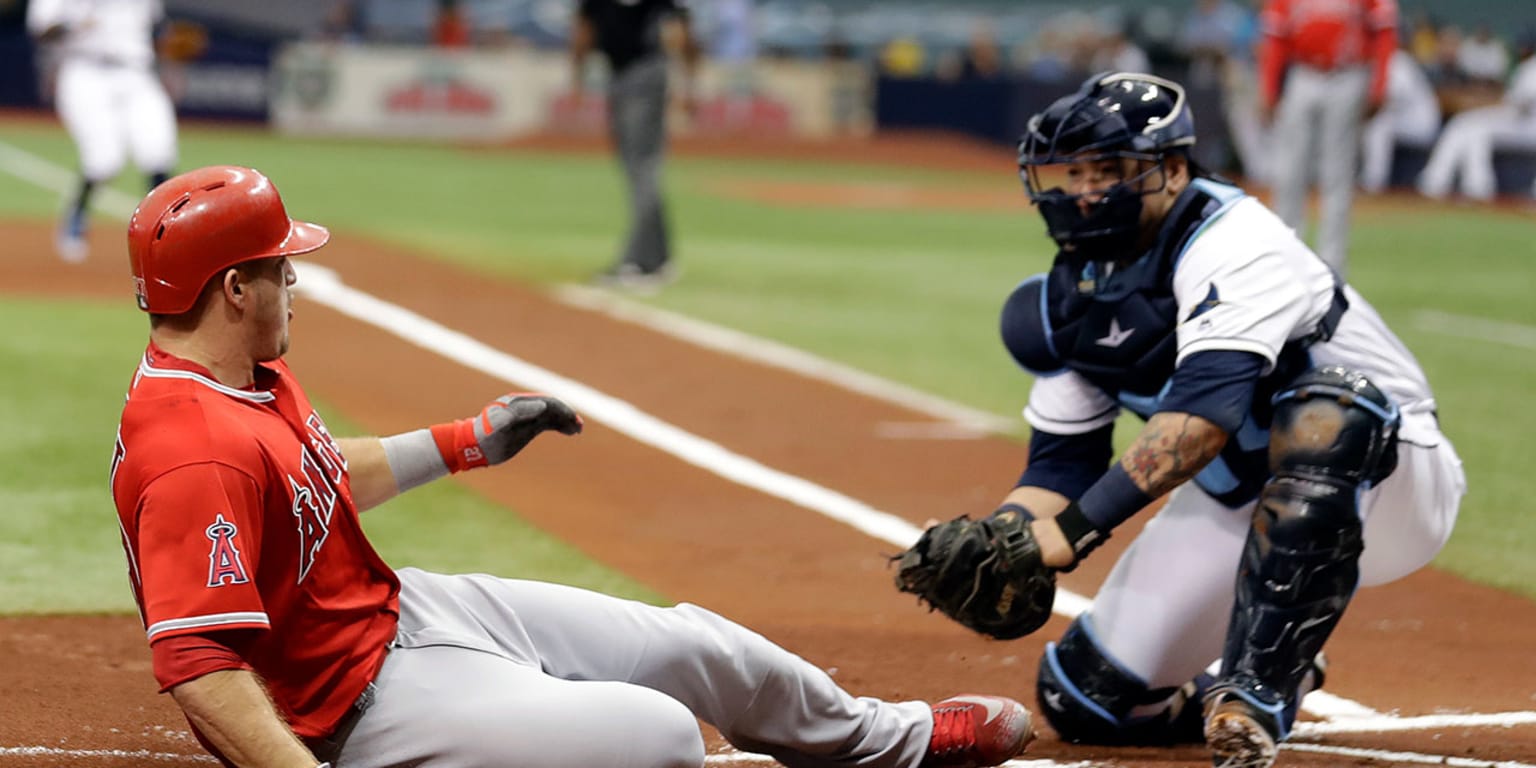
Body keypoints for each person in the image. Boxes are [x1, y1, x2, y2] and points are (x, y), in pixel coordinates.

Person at [110, 164, 1038, 768]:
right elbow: (198, 661)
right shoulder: (192, 452)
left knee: (691, 641)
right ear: (235, 288)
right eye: (280, 267)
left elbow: (319, 476)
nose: (294, 281)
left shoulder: (250, 376)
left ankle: (896, 741)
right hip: (350, 710)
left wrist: (471, 439)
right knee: (663, 737)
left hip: (409, 610)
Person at [948, 72, 1462, 768]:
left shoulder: (1236, 240)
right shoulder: (1068, 296)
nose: (1084, 192)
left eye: (1109, 171)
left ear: (1173, 170)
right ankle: (1258, 667)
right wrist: (1003, 532)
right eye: (1069, 175)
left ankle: (1256, 692)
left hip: (1392, 483)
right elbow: (1062, 461)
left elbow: (1198, 425)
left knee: (1328, 411)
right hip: (1239, 502)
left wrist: (1065, 537)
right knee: (1089, 700)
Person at [26, 0, 178, 263]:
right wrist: (74, 25)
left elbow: (155, 27)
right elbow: (41, 30)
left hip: (136, 71)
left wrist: (170, 57)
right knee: (104, 160)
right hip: (85, 71)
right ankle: (77, 212)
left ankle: (165, 235)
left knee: (158, 151)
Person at [1256, 0, 1396, 274]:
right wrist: (1270, 90)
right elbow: (1275, 40)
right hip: (1303, 74)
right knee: (1289, 173)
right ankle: (1284, 260)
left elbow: (1384, 33)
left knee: (1337, 175)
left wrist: (1379, 86)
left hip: (1348, 74)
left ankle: (1332, 267)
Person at [571, 0, 699, 292]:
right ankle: (658, 257)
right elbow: (585, 30)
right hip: (625, 72)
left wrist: (577, 79)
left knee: (642, 168)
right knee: (639, 168)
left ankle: (639, 263)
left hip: (643, 70)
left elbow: (679, 28)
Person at [1416, 36, 1536, 202]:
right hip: (1522, 123)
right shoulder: (1527, 67)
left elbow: (1522, 106)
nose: (1522, 50)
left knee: (1468, 124)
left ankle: (1439, 183)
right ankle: (1472, 186)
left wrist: (1491, 106)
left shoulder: (1532, 67)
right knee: (1472, 128)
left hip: (1527, 126)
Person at [1359, 46, 1441, 194]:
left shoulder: (1398, 60)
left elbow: (1394, 97)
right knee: (1376, 125)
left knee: (1379, 127)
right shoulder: (1366, 60)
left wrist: (1364, 112)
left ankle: (1373, 184)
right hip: (1400, 121)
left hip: (1418, 122)